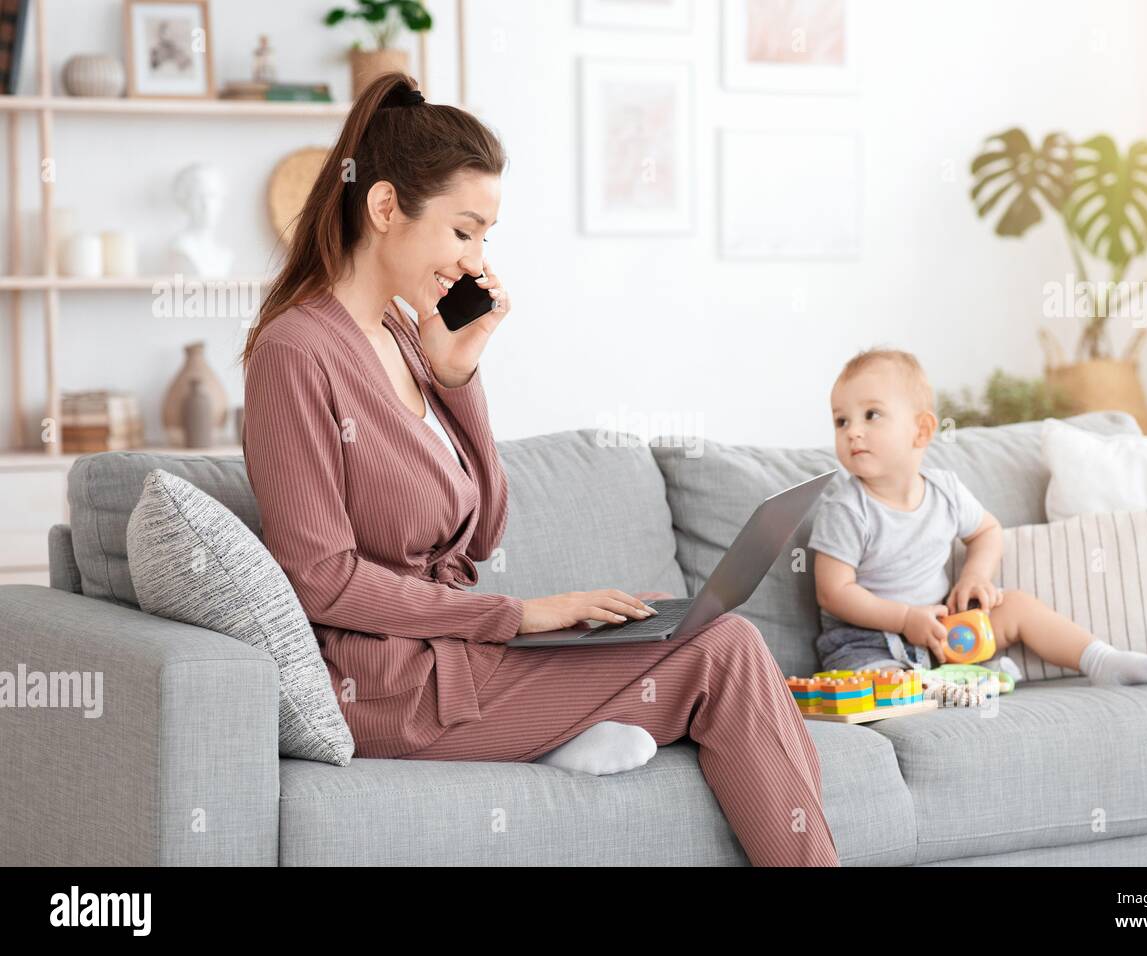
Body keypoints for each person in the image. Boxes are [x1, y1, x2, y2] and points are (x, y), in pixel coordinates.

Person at [239, 72, 839, 867]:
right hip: (387, 689)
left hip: (458, 658)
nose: (476, 261)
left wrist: (459, 378)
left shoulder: (405, 334)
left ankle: (568, 732)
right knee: (720, 650)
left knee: (683, 621)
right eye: (463, 230)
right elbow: (320, 580)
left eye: (486, 236)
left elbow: (481, 533)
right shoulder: (295, 353)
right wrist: (516, 618)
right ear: (384, 208)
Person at [809, 346, 1147, 687]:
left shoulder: (945, 491)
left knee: (1016, 605)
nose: (853, 431)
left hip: (944, 629)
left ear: (920, 430)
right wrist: (905, 619)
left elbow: (987, 530)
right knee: (888, 690)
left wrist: (975, 577)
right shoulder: (845, 508)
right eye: (841, 421)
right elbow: (833, 592)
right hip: (868, 643)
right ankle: (961, 681)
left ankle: (1102, 660)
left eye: (871, 415)